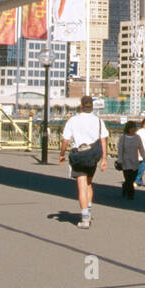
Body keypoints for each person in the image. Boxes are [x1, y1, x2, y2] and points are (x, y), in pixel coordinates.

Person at [58, 96, 108, 228]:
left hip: (79, 155)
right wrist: (104, 159)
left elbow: (65, 140)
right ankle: (89, 210)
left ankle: (85, 217)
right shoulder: (98, 121)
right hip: (92, 156)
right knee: (89, 184)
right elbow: (103, 140)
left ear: (81, 106)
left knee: (81, 186)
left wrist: (62, 154)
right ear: (91, 107)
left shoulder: (73, 120)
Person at [118, 121, 145, 200]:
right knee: (128, 178)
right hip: (125, 161)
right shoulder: (123, 137)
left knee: (132, 178)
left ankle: (125, 187)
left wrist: (144, 157)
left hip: (134, 161)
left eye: (135, 128)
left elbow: (141, 148)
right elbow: (120, 149)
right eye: (133, 128)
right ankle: (130, 194)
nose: (134, 129)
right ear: (128, 128)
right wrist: (120, 160)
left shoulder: (137, 137)